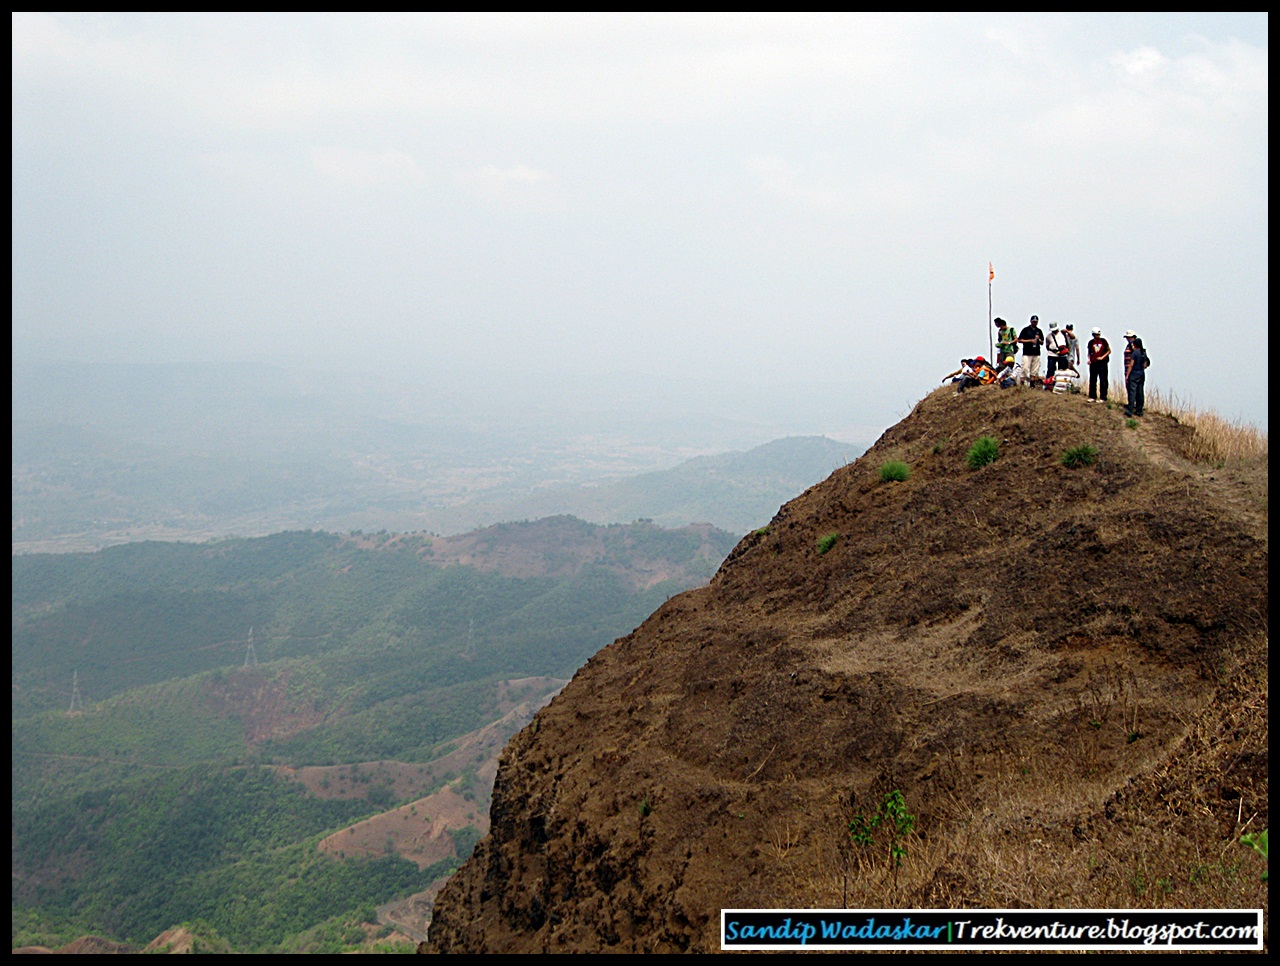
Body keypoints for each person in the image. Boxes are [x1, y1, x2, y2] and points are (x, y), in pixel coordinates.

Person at [1123, 332, 1149, 417]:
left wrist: (1127, 375)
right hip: (1141, 373)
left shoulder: (1135, 353)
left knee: (1132, 391)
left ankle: (1130, 410)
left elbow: (1131, 364)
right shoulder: (1143, 352)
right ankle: (1139, 410)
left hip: (1134, 373)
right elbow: (1145, 364)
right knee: (1140, 392)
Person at [1086, 327, 1110, 402]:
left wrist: (1102, 357)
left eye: (1098, 335)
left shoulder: (1103, 341)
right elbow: (1089, 353)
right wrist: (1089, 360)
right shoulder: (1090, 342)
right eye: (1096, 335)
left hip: (1102, 363)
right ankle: (1092, 396)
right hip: (1093, 363)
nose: (1097, 336)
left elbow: (1109, 351)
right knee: (1093, 380)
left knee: (1103, 380)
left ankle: (1103, 397)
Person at [1018, 315, 1044, 384]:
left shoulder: (1039, 331)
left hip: (1036, 352)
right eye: (1033, 321)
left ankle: (1032, 383)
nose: (1034, 323)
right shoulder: (1026, 330)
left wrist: (1039, 340)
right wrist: (1030, 341)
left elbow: (1042, 342)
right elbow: (1019, 340)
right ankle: (1023, 382)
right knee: (1025, 368)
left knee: (1034, 370)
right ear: (1031, 321)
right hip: (1027, 352)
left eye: (1036, 322)